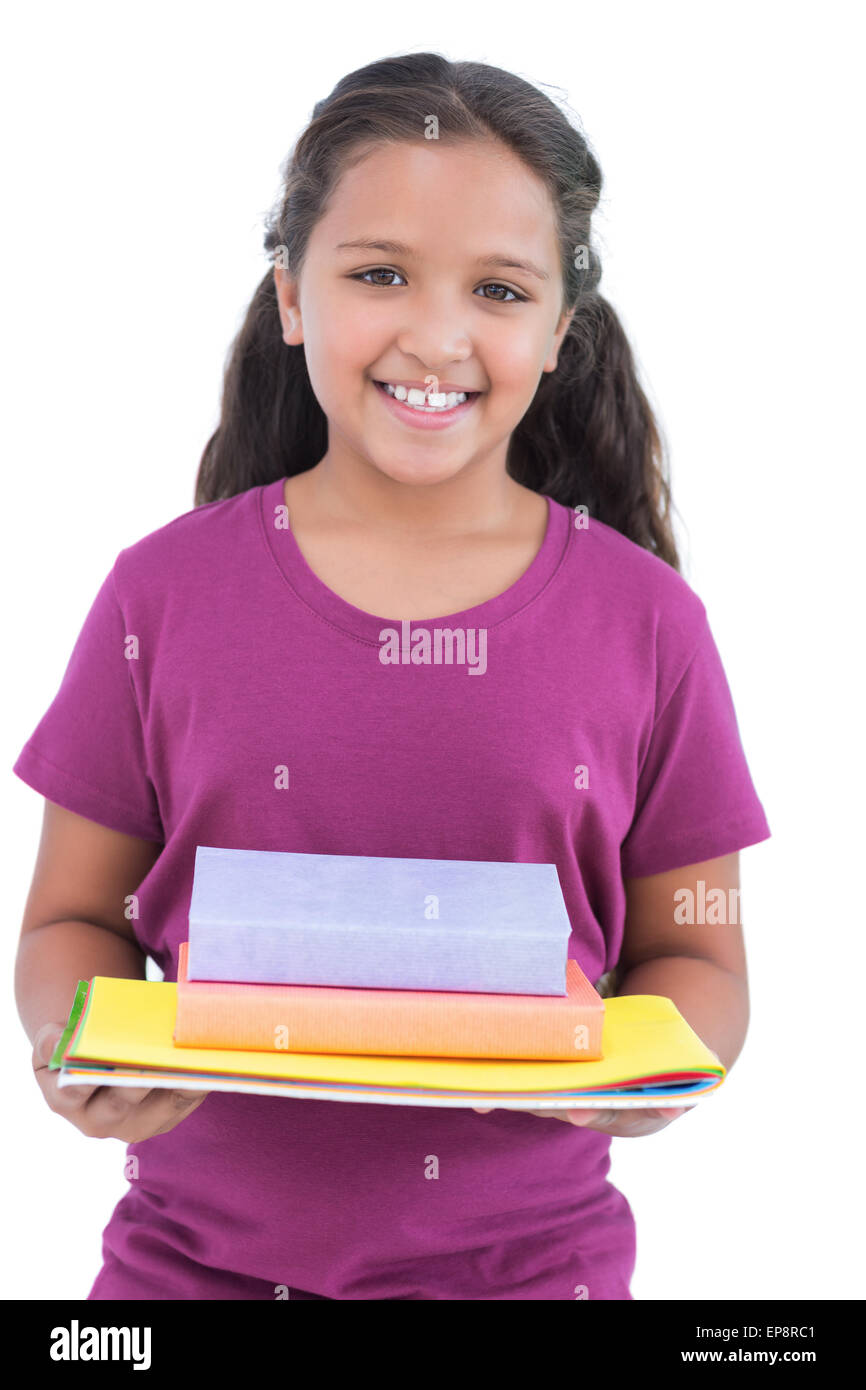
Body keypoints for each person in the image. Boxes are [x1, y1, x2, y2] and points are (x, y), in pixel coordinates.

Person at [13, 52, 770, 1300]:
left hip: (534, 1277)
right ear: (290, 296)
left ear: (557, 329)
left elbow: (701, 948)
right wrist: (71, 1040)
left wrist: (669, 1065)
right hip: (182, 1279)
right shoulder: (160, 596)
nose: (436, 333)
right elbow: (66, 924)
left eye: (497, 287)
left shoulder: (649, 624)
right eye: (377, 274)